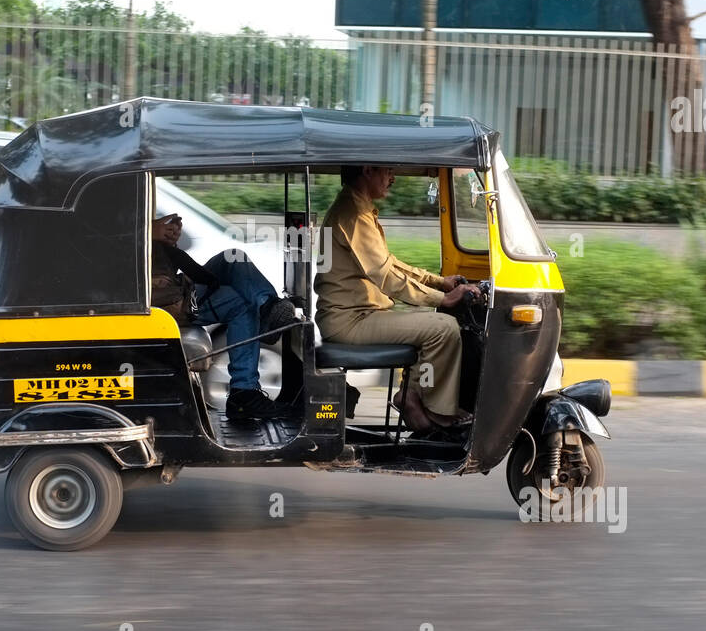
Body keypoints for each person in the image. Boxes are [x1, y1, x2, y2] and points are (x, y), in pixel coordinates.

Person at [314, 166, 481, 434]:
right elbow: (386, 276)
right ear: (367, 170)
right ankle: (434, 409)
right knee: (443, 328)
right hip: (350, 320)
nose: (393, 178)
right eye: (388, 171)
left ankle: (411, 394)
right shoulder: (354, 214)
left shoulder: (358, 208)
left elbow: (389, 264)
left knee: (436, 325)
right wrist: (443, 298)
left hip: (359, 314)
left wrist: (439, 282)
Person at [152, 213, 296, 421]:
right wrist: (150, 232)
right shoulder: (117, 222)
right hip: (164, 301)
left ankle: (267, 307)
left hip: (175, 286)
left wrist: (165, 240)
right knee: (242, 304)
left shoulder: (127, 219)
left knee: (232, 257)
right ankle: (243, 391)